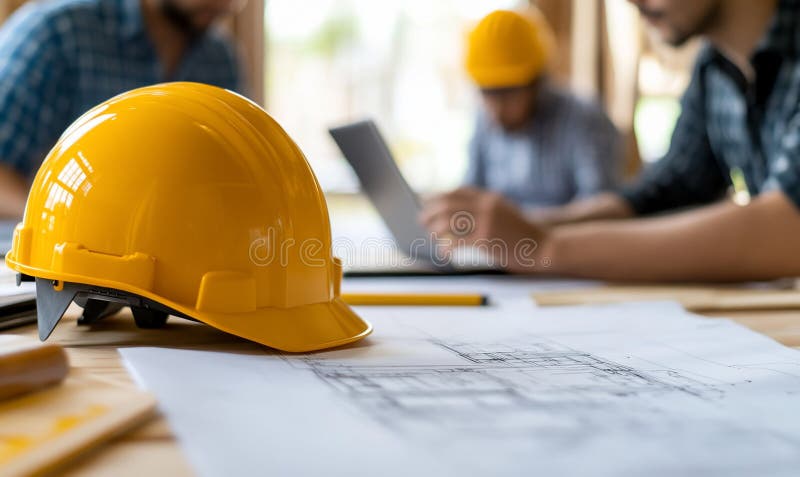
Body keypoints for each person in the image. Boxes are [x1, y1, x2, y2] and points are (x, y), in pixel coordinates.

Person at [421, 0, 800, 282]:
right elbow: (660, 194)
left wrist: (544, 249)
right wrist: (526, 227)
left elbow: (787, 226)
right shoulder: (712, 68)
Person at [0, 0, 245, 218]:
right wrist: (61, 221)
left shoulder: (220, 58)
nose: (228, 4)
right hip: (65, 253)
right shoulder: (59, 32)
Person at [462, 9, 622, 210]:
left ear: (537, 83)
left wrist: (522, 228)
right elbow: (470, 196)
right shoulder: (483, 122)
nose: (497, 109)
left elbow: (601, 208)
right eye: (487, 93)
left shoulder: (584, 120)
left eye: (507, 92)